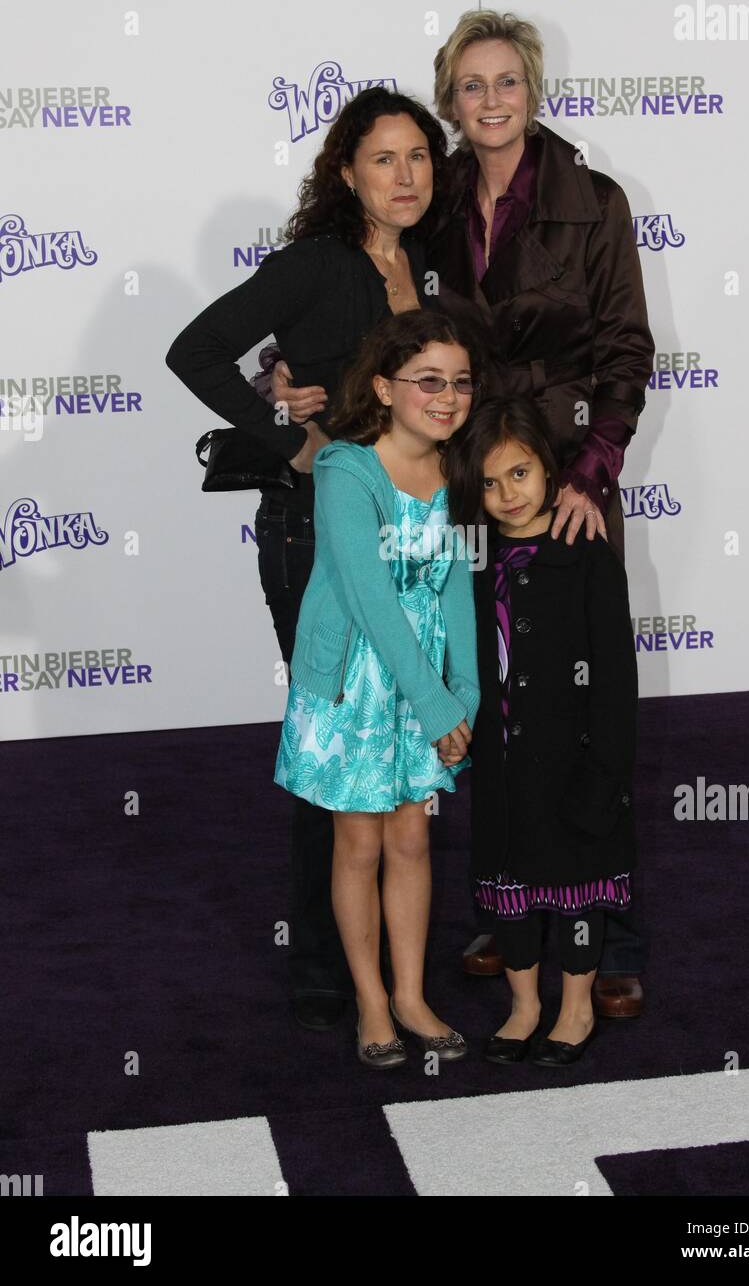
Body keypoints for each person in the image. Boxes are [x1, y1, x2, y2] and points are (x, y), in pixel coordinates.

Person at [165, 88, 451, 1033]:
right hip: (315, 540)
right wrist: (290, 435)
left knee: (406, 745)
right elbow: (195, 349)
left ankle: (399, 969)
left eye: (419, 157)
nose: (405, 176)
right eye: (384, 159)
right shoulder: (316, 266)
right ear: (345, 172)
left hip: (419, 544)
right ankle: (331, 972)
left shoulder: (439, 263)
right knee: (331, 745)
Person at [426, 9, 653, 1008]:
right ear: (450, 100)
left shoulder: (591, 201)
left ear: (533, 89)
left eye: (504, 82)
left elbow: (623, 349)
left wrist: (590, 470)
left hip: (565, 481)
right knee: (495, 699)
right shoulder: (429, 206)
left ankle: (613, 932)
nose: (489, 101)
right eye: (470, 86)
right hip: (472, 481)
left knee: (587, 705)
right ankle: (506, 906)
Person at [275, 309, 483, 1068]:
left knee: (412, 836)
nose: (448, 396)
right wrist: (433, 702)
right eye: (429, 380)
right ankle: (369, 999)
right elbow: (367, 595)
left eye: (460, 382)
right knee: (359, 841)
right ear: (384, 387)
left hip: (424, 681)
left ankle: (410, 994)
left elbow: (456, 586)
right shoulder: (345, 470)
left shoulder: (459, 466)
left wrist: (462, 693)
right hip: (355, 683)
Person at [444, 396, 638, 1065]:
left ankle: (577, 1005)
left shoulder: (584, 553)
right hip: (504, 762)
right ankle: (525, 1004)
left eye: (520, 474)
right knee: (513, 889)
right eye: (491, 484)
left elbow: (615, 677)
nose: (507, 495)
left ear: (551, 470)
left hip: (576, 759)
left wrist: (605, 771)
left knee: (577, 883)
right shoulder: (475, 560)